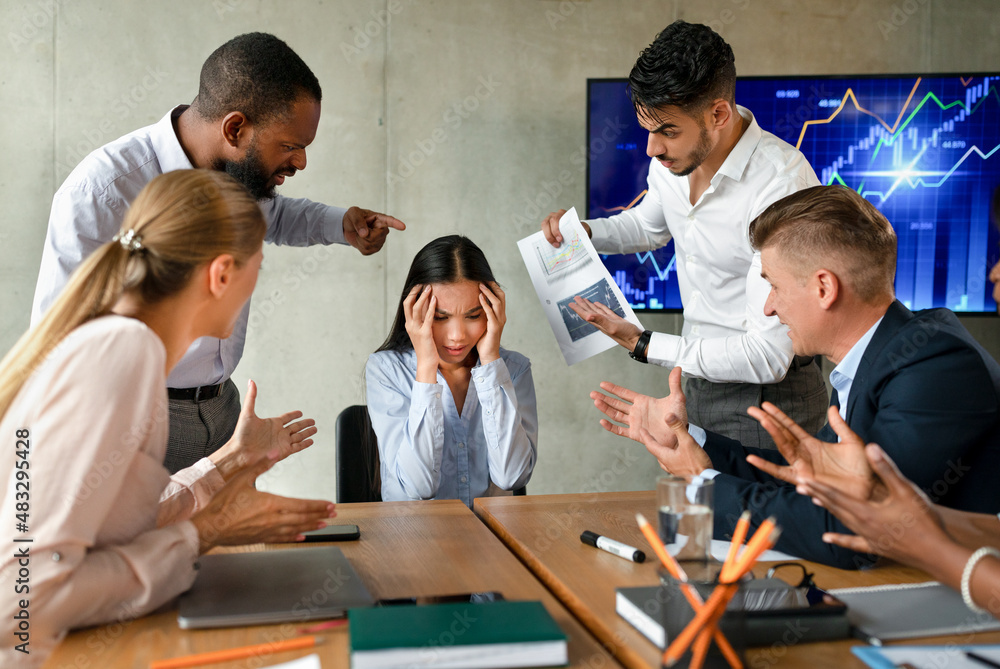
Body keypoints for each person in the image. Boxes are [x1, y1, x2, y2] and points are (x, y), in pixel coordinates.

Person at [0, 170, 335, 667]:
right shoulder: (122, 352)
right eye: (257, 266)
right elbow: (19, 599)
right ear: (221, 275)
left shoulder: (118, 343)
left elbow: (98, 527)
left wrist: (227, 464)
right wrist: (206, 532)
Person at [32, 32, 406, 474]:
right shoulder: (102, 191)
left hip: (223, 409)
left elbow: (271, 214)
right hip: (137, 422)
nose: (301, 162)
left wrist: (340, 224)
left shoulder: (240, 174)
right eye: (290, 146)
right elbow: (59, 345)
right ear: (234, 128)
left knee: (233, 540)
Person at [590, 185, 1000, 568]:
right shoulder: (885, 352)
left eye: (774, 286)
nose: (768, 308)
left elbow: (849, 530)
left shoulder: (933, 366)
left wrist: (703, 482)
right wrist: (690, 439)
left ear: (824, 288)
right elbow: (808, 480)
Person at [540, 20, 826, 450]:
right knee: (696, 515)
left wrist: (641, 344)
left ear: (718, 114)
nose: (652, 149)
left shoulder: (781, 186)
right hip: (696, 377)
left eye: (668, 132)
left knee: (752, 518)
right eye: (648, 130)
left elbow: (768, 358)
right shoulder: (673, 161)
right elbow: (650, 226)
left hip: (766, 401)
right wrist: (585, 232)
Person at [366, 236, 537, 507]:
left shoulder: (513, 370)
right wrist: (426, 367)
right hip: (412, 543)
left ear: (493, 311)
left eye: (472, 316)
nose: (457, 336)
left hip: (489, 542)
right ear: (414, 312)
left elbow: (512, 477)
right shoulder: (386, 370)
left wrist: (491, 361)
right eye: (441, 318)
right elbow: (418, 487)